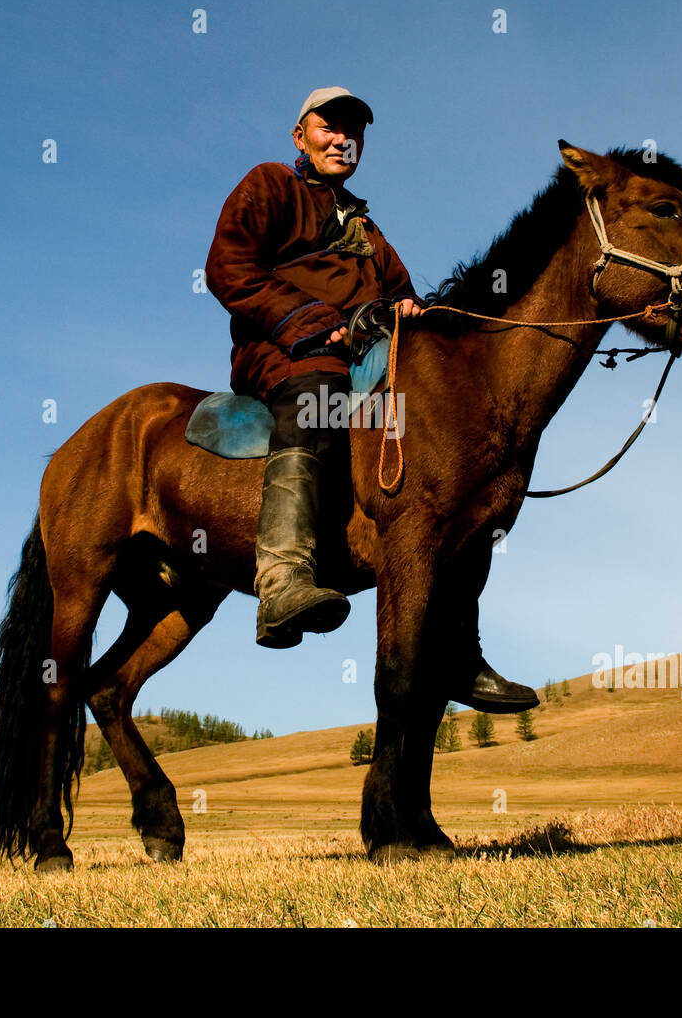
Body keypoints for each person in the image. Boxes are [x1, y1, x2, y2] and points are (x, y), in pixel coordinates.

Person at [204, 87, 536, 712]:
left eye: (353, 131)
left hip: (360, 355)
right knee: (321, 392)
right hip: (284, 352)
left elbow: (404, 295)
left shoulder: (365, 226)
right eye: (328, 126)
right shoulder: (270, 185)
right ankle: (281, 579)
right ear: (299, 135)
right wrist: (304, 320)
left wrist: (412, 311)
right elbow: (228, 267)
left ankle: (459, 648)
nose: (341, 138)